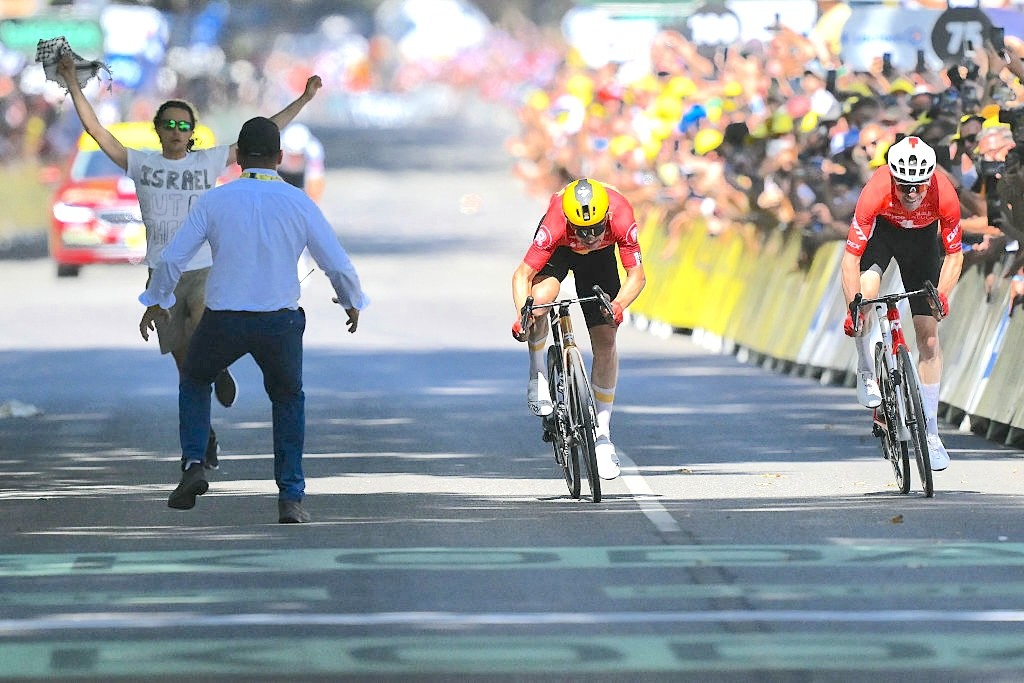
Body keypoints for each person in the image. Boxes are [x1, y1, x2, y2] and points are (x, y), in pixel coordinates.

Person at [57, 54, 323, 467]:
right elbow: (97, 131)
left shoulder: (208, 162)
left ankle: (216, 367)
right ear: (159, 130)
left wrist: (303, 100)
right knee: (186, 371)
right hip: (162, 273)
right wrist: (74, 84)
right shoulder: (142, 164)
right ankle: (206, 433)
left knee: (202, 327)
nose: (177, 131)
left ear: (192, 134)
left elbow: (265, 135)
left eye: (185, 126)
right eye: (170, 124)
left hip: (204, 268)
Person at [138, 116, 369, 523]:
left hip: (223, 319)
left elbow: (174, 258)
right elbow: (336, 261)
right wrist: (351, 301)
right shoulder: (299, 202)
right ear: (280, 158)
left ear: (238, 158)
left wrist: (156, 300)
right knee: (287, 399)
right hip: (278, 323)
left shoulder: (213, 201)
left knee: (194, 379)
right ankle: (291, 498)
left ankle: (194, 463)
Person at [841, 135, 963, 471]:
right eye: (904, 186)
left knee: (929, 338)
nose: (911, 193)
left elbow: (954, 255)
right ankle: (866, 368)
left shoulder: (945, 194)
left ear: (928, 181)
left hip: (922, 245)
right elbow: (850, 259)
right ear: (893, 178)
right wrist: (854, 308)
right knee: (865, 296)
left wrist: (942, 294)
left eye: (918, 187)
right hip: (883, 235)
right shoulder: (875, 191)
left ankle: (932, 433)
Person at [511, 178, 646, 480]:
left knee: (606, 337)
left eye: (595, 229)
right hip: (558, 251)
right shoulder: (557, 220)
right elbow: (522, 274)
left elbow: (636, 275)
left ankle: (602, 436)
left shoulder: (622, 214)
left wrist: (619, 304)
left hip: (600, 262)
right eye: (581, 231)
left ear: (607, 217)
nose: (588, 237)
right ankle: (537, 373)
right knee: (542, 299)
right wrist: (524, 315)